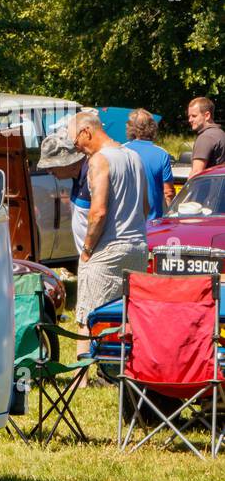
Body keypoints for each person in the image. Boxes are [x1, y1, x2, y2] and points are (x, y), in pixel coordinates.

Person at [71, 110, 148, 361]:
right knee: (125, 316)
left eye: (76, 142)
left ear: (86, 131)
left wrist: (86, 250)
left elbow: (98, 212)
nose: (78, 149)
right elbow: (145, 207)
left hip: (108, 249)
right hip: (137, 247)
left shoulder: (99, 160)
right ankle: (122, 371)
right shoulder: (134, 156)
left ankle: (80, 378)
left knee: (88, 316)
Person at [123, 108, 174, 220]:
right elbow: (168, 193)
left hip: (126, 222)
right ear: (152, 127)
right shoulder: (161, 153)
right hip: (153, 222)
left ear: (130, 128)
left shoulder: (122, 151)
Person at [188, 97, 225, 177]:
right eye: (189, 116)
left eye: (194, 116)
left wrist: (187, 189)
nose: (190, 120)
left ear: (207, 115)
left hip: (208, 188)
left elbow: (196, 173)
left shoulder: (205, 138)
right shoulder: (221, 133)